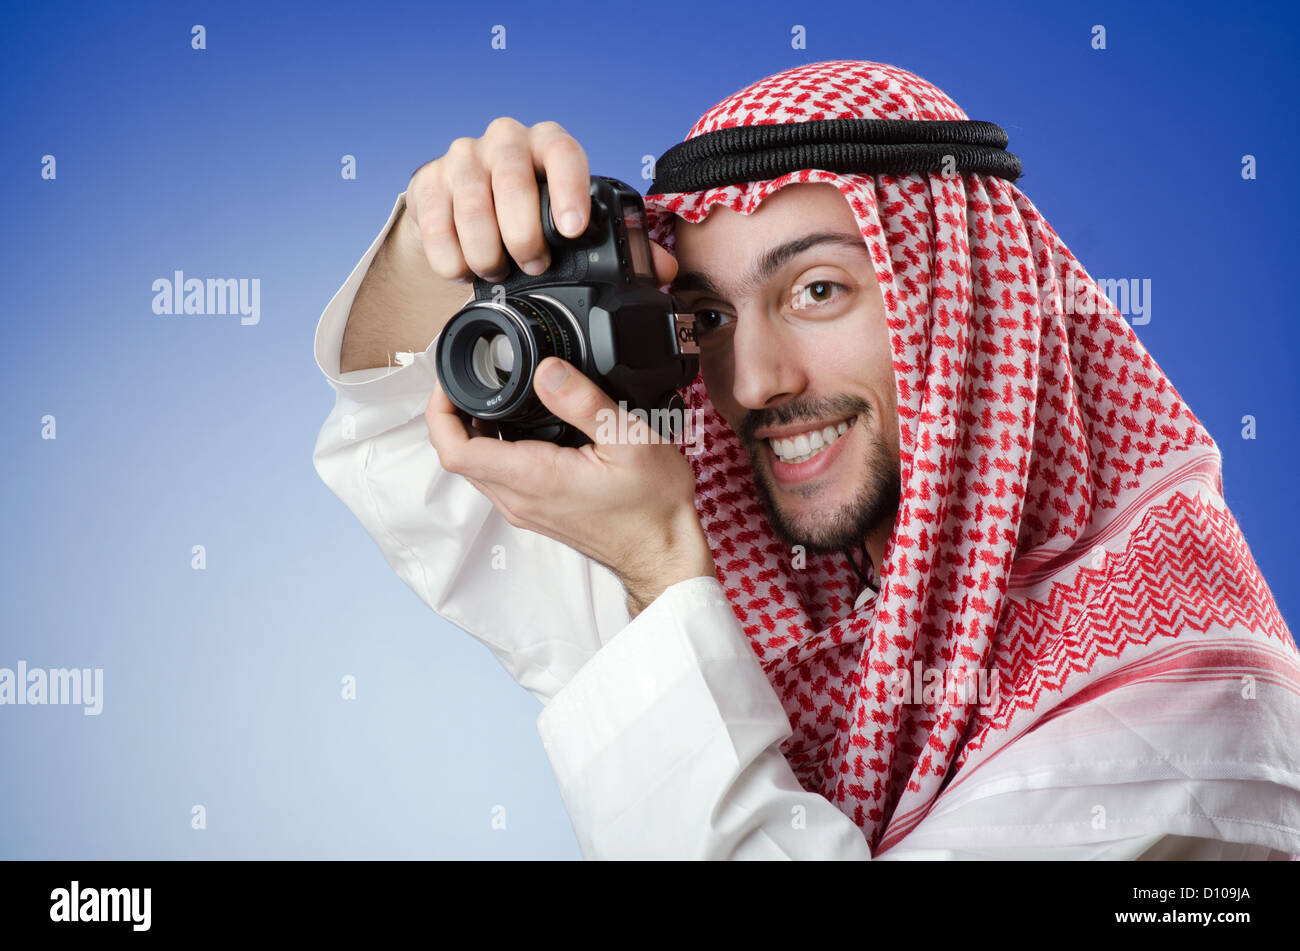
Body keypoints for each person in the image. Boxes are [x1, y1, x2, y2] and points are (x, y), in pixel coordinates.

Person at [312, 60, 1300, 859]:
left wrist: (660, 570)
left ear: (969, 308)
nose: (753, 382)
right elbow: (405, 433)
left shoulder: (1186, 716)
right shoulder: (793, 586)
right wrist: (435, 233)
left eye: (817, 291)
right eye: (709, 316)